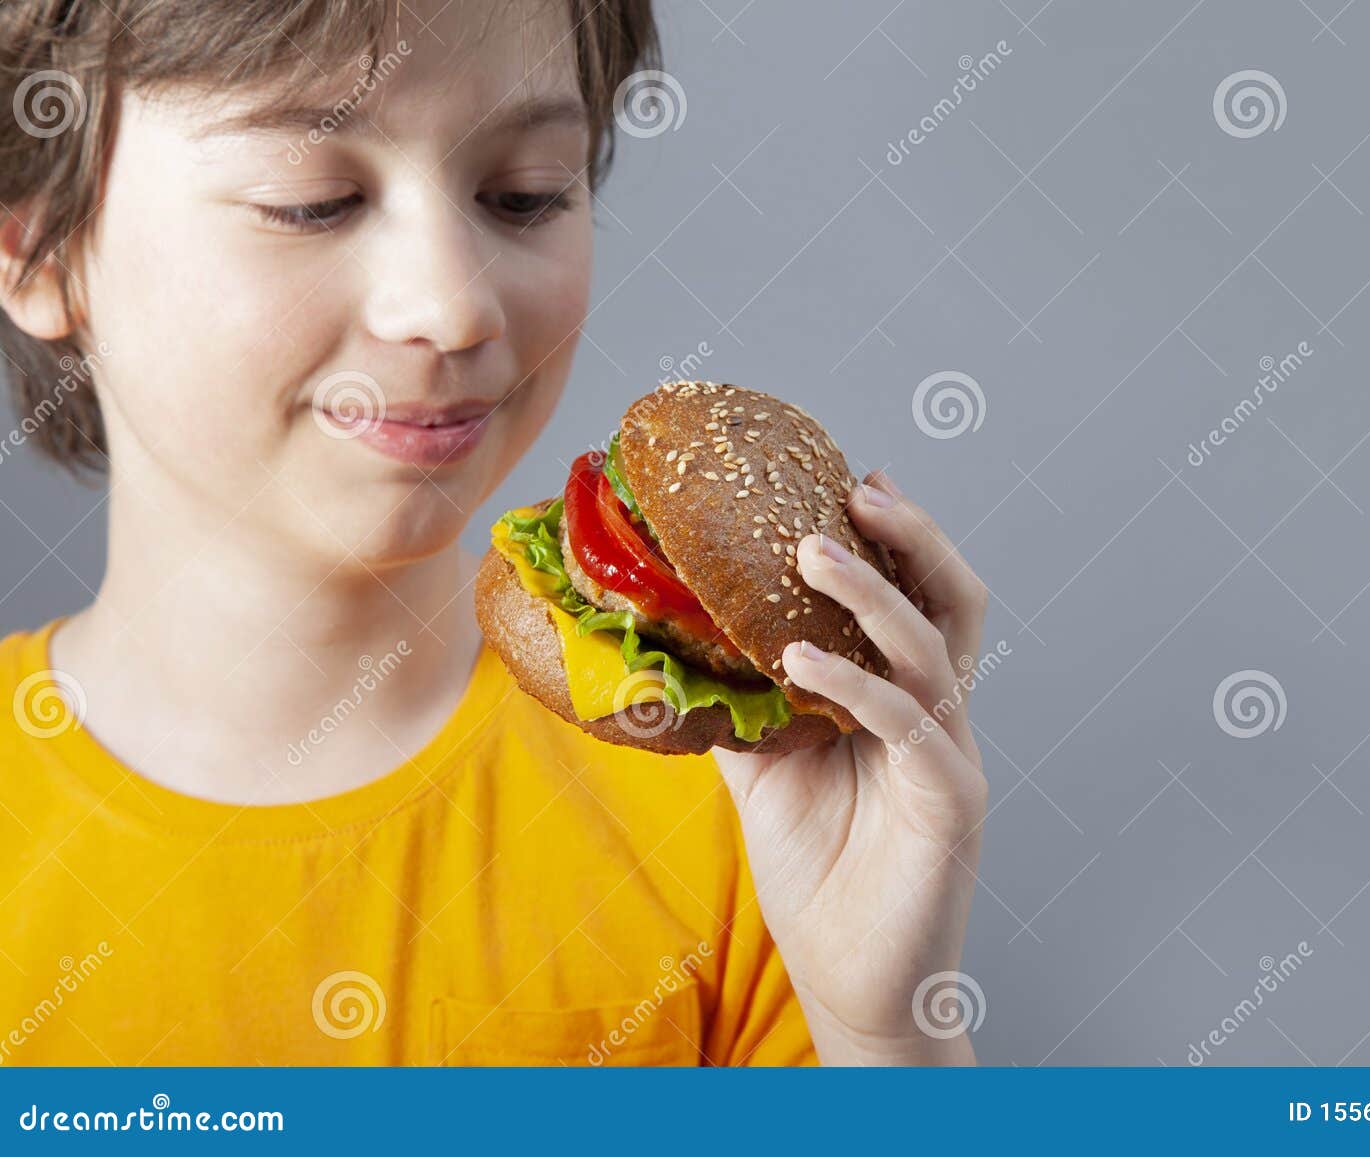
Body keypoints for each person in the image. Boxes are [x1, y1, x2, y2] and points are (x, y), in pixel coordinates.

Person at [0, 0, 988, 1066]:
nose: (452, 305)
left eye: (525, 195)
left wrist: (881, 1032)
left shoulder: (753, 809)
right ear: (35, 251)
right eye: (312, 202)